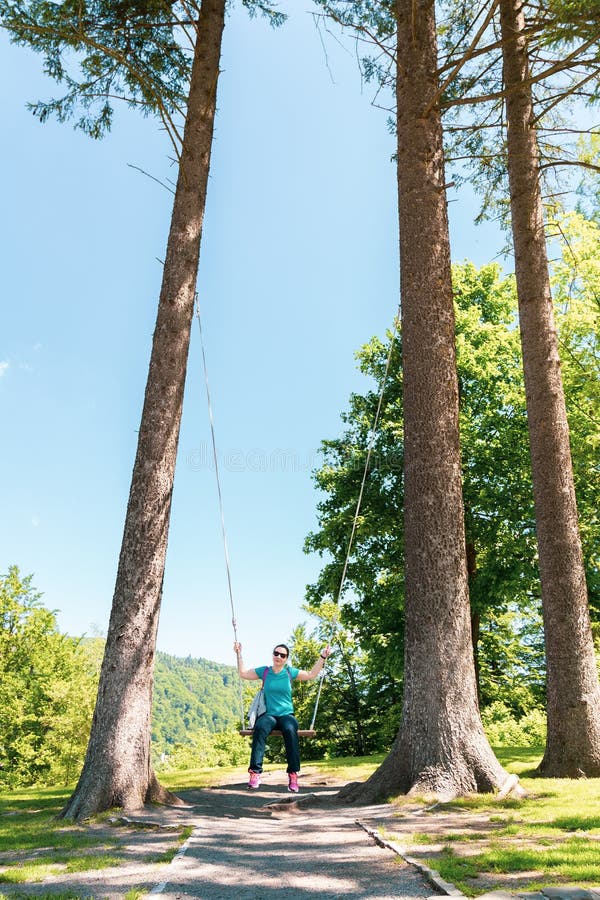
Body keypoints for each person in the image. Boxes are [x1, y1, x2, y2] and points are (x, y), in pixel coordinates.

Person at [233, 640, 331, 793]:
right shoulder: (265, 672)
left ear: (286, 659)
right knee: (260, 727)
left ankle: (293, 774)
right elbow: (243, 673)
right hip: (269, 715)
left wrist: (323, 657)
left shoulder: (289, 672)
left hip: (286, 715)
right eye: (276, 653)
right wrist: (238, 654)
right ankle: (255, 773)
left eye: (282, 655)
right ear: (273, 655)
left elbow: (311, 674)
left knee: (290, 729)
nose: (278, 656)